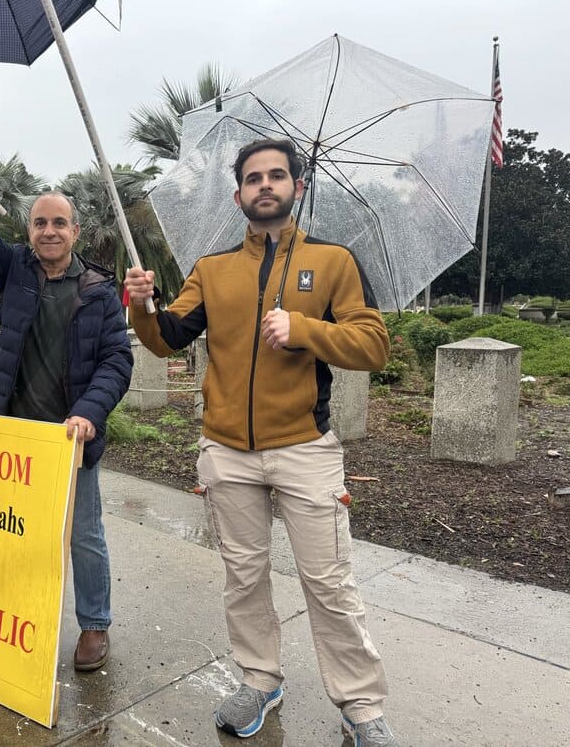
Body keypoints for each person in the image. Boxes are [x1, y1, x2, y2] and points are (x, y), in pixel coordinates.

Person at [124, 138, 399, 747]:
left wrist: (303, 328)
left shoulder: (333, 262)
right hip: (225, 450)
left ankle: (360, 706)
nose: (265, 186)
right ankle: (259, 678)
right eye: (254, 179)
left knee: (328, 583)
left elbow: (373, 345)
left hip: (305, 448)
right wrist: (142, 308)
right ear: (239, 194)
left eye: (277, 176)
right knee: (243, 577)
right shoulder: (212, 269)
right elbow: (168, 338)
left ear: (296, 187)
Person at [0, 128, 133, 672]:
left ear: (76, 231)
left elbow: (118, 362)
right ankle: (18, 612)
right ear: (30, 230)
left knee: (84, 535)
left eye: (59, 223)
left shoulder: (98, 290)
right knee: (12, 527)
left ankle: (94, 625)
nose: (49, 231)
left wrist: (89, 414)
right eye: (40, 223)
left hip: (71, 439)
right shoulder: (15, 269)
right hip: (15, 431)